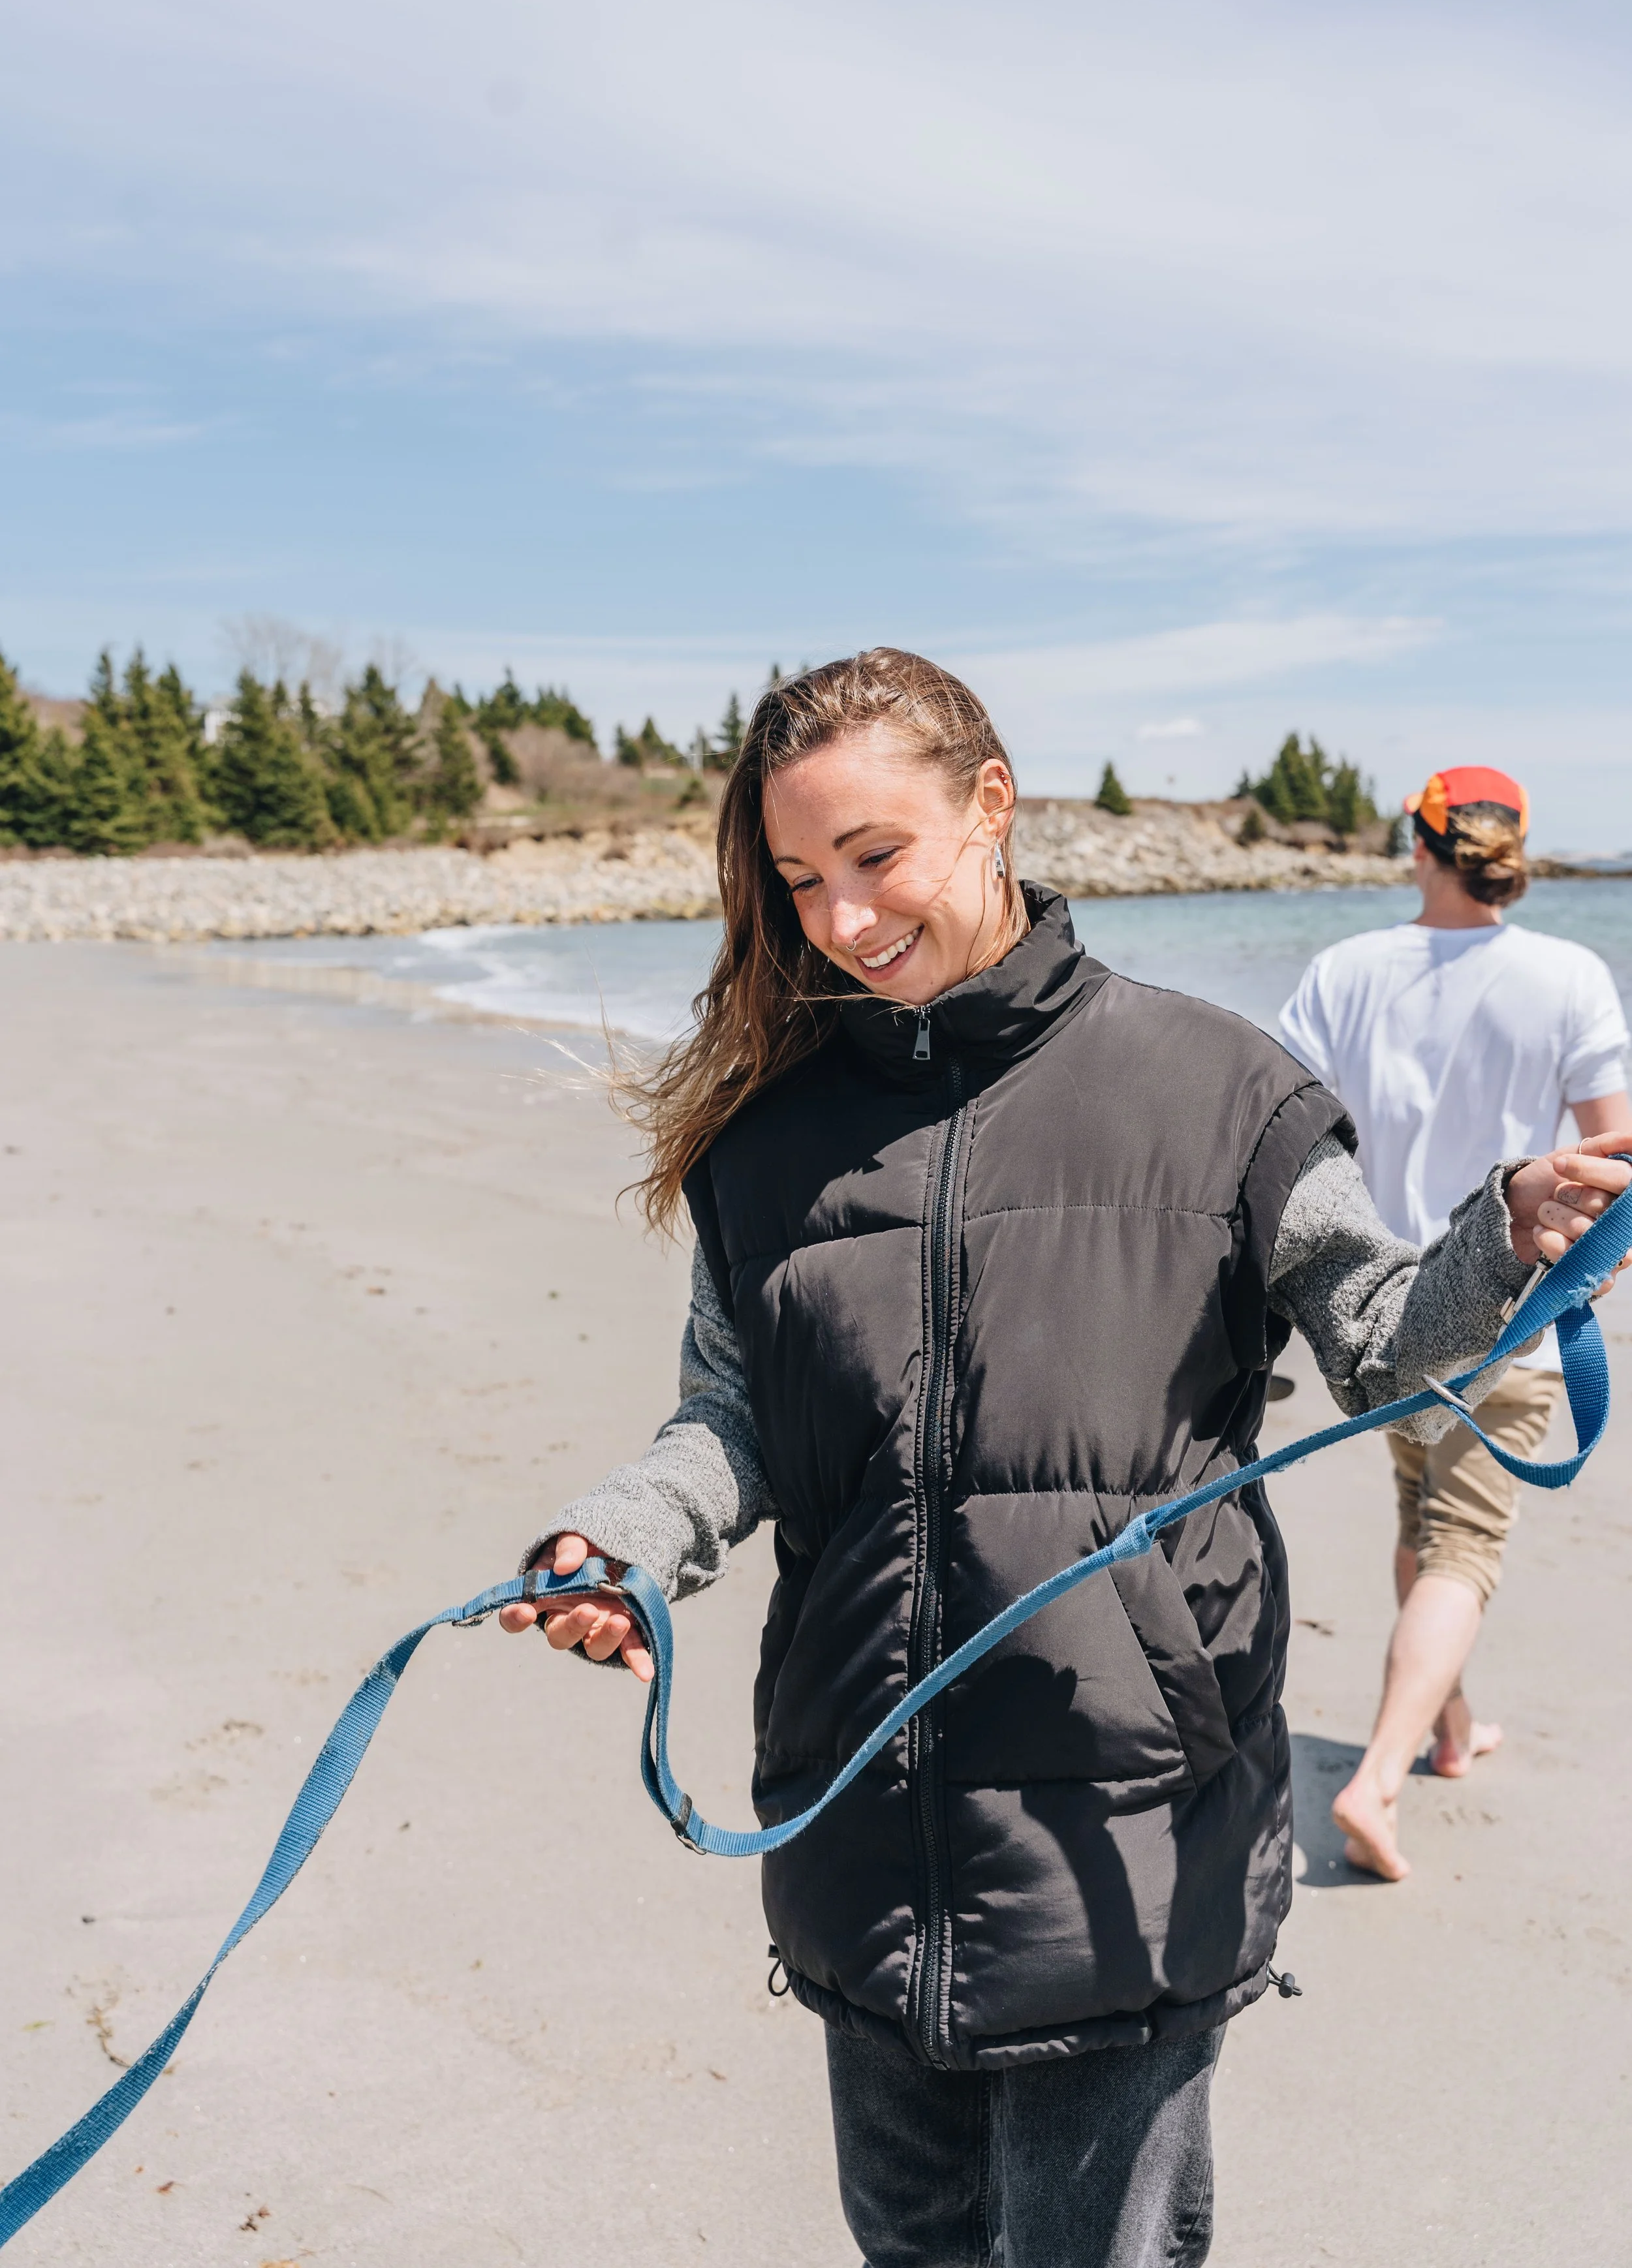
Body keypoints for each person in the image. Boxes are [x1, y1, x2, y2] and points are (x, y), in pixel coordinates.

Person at [499, 662, 1628, 2268]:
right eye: (800, 879)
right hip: (854, 1834)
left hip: (1130, 1844)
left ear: (991, 804)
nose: (839, 917)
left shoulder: (1217, 1090)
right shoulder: (770, 1138)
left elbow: (1380, 1335)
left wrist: (1502, 1236)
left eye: (874, 856)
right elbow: (732, 1419)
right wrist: (619, 1543)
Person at [1279, 764, 1631, 1882]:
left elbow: (1281, 1128)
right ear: (1512, 846)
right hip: (1512, 1316)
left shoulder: (1344, 973)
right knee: (1463, 1550)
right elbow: (1612, 1158)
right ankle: (1380, 1774)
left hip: (1380, 1313)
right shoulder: (1567, 975)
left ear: (1418, 845)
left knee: (1419, 1518)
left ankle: (1446, 1724)